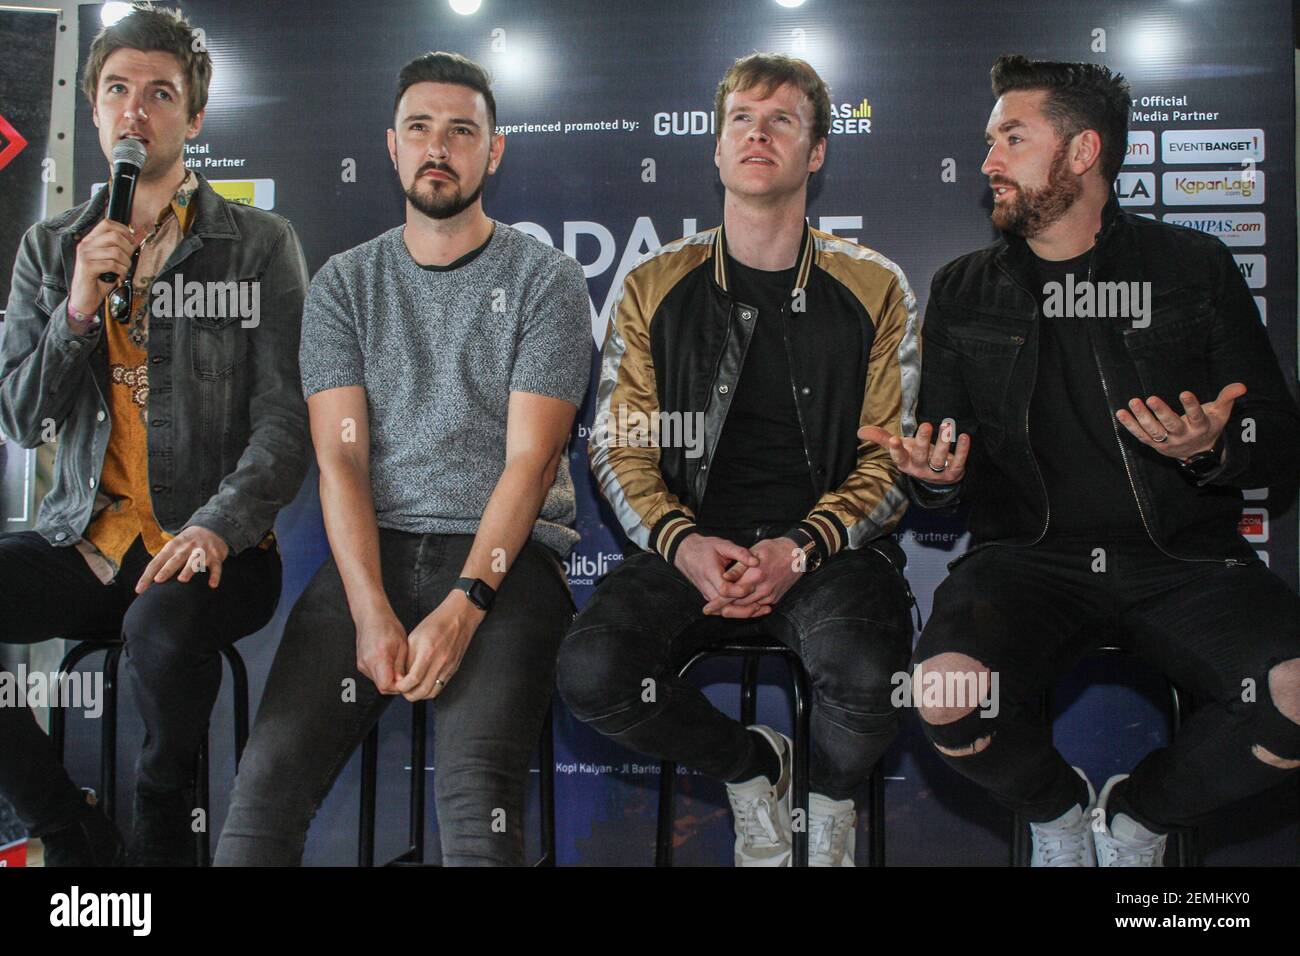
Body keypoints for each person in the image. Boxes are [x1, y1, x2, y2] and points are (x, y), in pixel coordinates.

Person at [864, 54, 1300, 866]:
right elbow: (942, 465)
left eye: (1012, 139)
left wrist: (1213, 448)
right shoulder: (963, 288)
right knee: (943, 694)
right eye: (991, 142)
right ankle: (1058, 811)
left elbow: (1276, 440)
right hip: (1027, 561)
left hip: (1184, 561)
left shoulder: (1191, 268)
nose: (989, 161)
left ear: (1082, 152)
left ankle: (1139, 817)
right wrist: (930, 480)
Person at [214, 51, 591, 867]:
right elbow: (340, 461)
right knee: (263, 790)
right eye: (420, 128)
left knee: (474, 802)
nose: (438, 147)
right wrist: (368, 605)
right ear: (392, 145)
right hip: (374, 552)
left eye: (462, 131)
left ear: (494, 151)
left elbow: (530, 462)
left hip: (506, 560)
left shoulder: (548, 282)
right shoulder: (345, 284)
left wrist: (464, 605)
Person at [557, 52, 919, 867]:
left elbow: (890, 464)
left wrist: (802, 547)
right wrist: (682, 542)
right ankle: (755, 767)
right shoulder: (653, 283)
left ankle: (827, 806)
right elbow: (620, 448)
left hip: (827, 551)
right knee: (592, 672)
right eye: (741, 122)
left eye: (781, 120)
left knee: (868, 676)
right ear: (717, 149)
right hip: (690, 540)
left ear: (816, 153)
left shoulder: (877, 284)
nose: (758, 134)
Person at [0, 2, 310, 865]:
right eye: (117, 90)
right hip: (86, 546)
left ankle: (161, 814)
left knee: (165, 631)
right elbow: (22, 418)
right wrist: (76, 311)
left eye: (160, 94)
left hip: (218, 552)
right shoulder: (51, 248)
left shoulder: (258, 244)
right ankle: (70, 825)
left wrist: (218, 525)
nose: (135, 110)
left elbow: (287, 421)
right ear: (96, 109)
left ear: (195, 117)